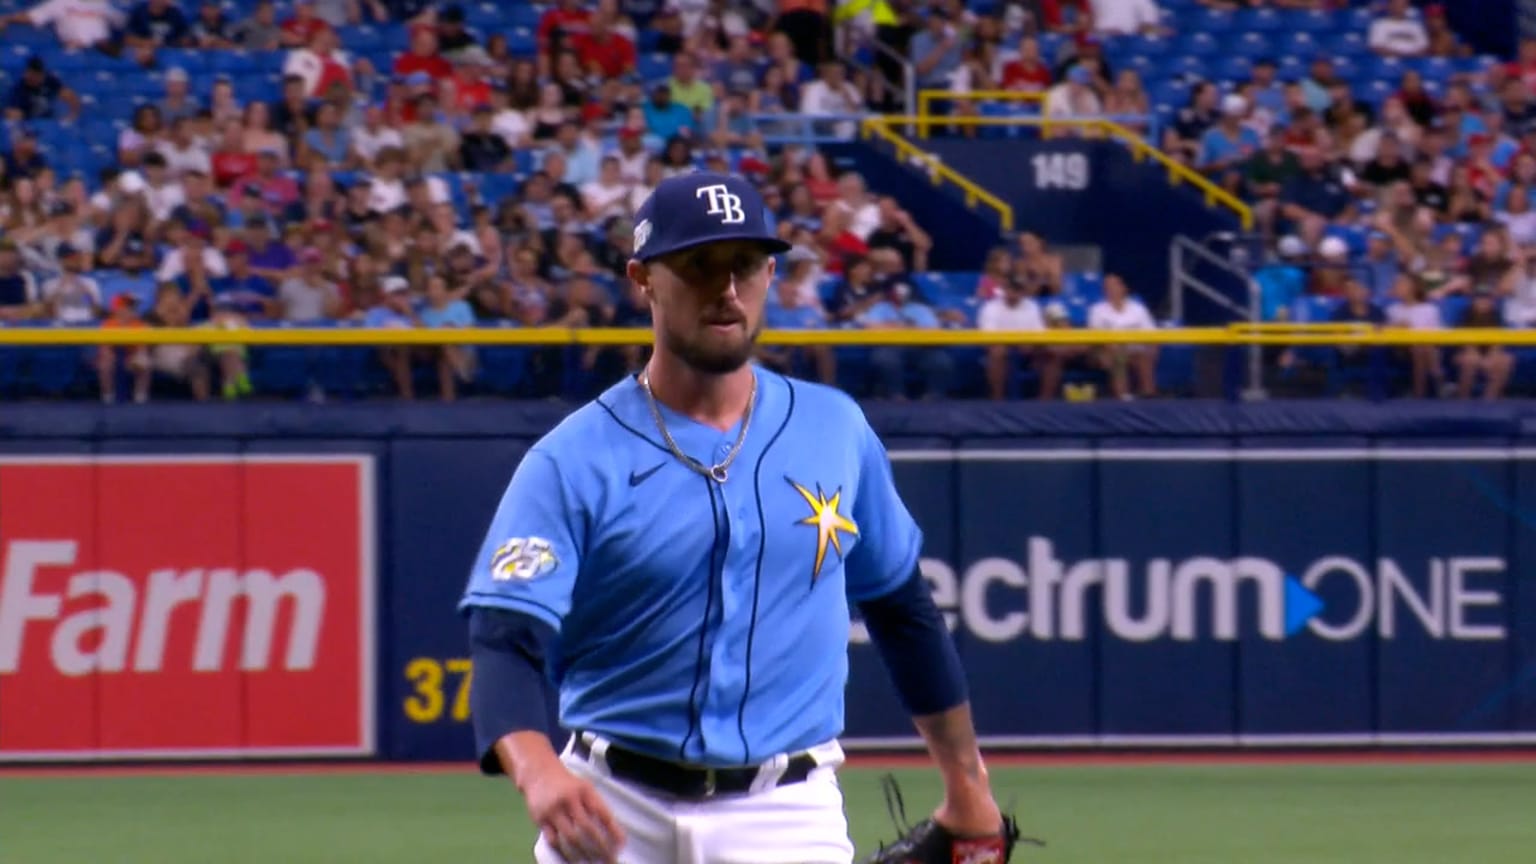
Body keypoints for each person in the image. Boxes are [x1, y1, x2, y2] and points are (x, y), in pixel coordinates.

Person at [460, 172, 1009, 863]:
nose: (726, 288)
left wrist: (967, 782)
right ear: (642, 279)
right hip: (612, 809)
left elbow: (901, 609)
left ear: (771, 274)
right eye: (698, 265)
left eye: (745, 266)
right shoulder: (571, 459)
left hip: (789, 814)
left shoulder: (834, 429)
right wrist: (538, 770)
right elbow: (504, 637)